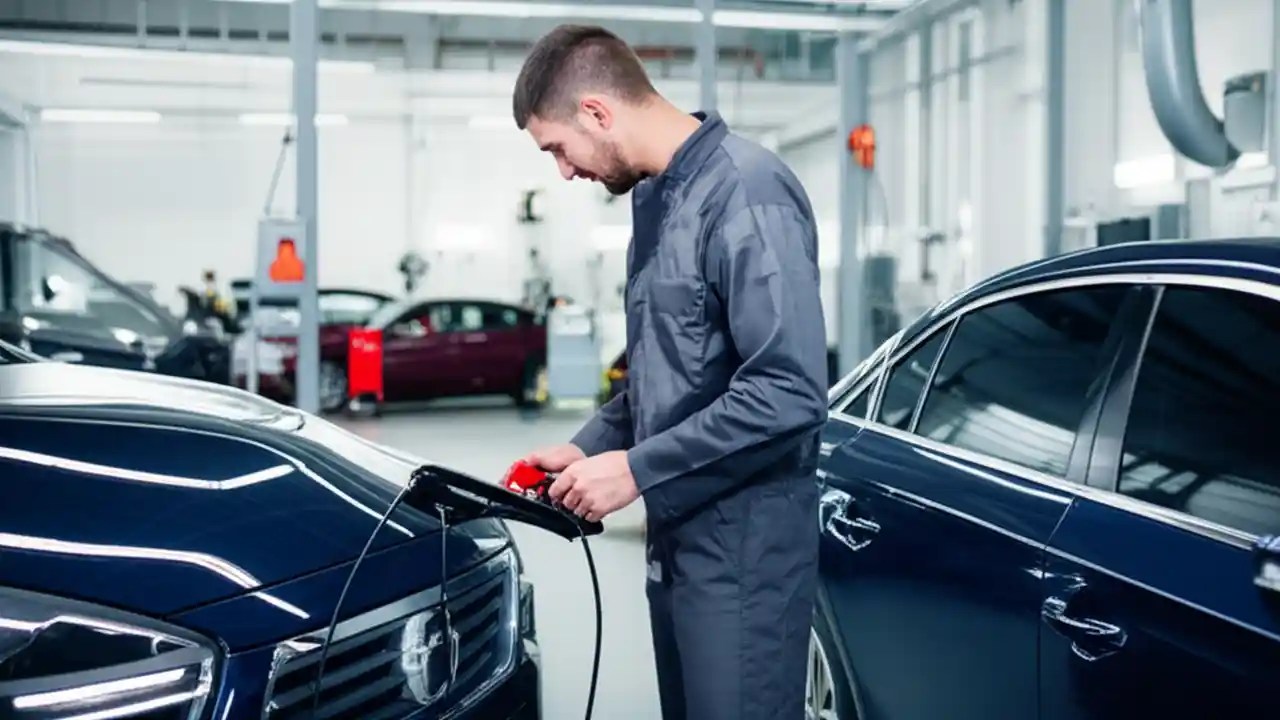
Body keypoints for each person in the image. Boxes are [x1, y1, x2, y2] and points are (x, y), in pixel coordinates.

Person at [512, 24, 829, 720]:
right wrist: (590, 447)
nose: (563, 172)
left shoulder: (749, 193)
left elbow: (790, 390)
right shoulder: (657, 205)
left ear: (597, 111)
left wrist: (635, 470)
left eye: (558, 149)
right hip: (680, 542)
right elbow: (663, 368)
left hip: (744, 553)